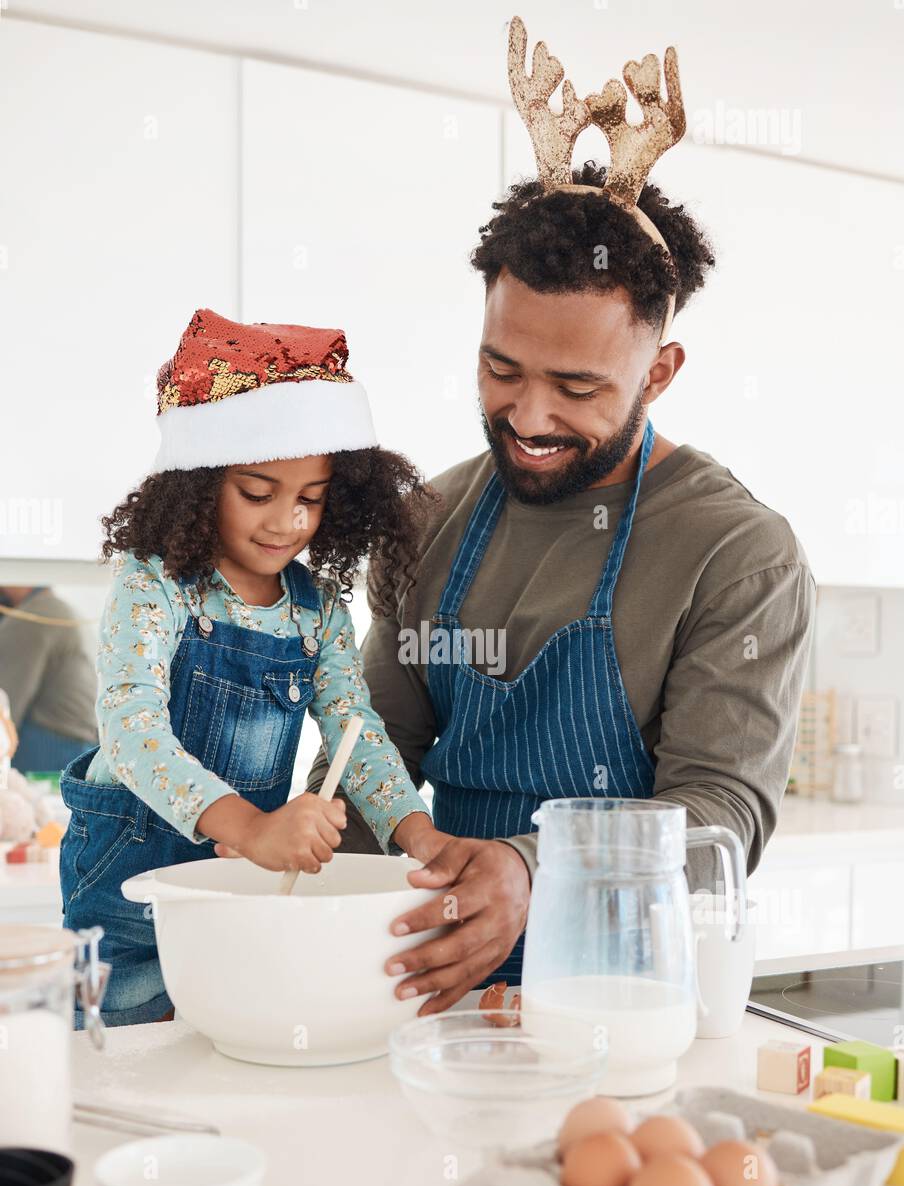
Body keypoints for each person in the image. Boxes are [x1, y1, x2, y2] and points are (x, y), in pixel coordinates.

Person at [306, 29, 816, 1016]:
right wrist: (293, 872)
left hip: (623, 1001)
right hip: (436, 987)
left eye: (577, 386)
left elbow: (719, 823)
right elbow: (368, 755)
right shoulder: (428, 516)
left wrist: (531, 872)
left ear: (657, 372)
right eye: (502, 370)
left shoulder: (735, 551)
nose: (529, 418)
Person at [59, 310, 440, 1027]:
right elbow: (131, 734)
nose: (287, 522)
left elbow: (357, 735)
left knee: (218, 1048)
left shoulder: (317, 609)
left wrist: (420, 836)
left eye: (312, 500)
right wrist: (250, 828)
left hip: (233, 889)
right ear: (198, 485)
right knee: (122, 1063)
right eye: (258, 493)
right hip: (127, 882)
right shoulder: (156, 585)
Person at [0, 586, 96, 773]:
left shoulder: (31, 617)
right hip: (81, 746)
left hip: (51, 748)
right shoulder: (60, 609)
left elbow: (6, 706)